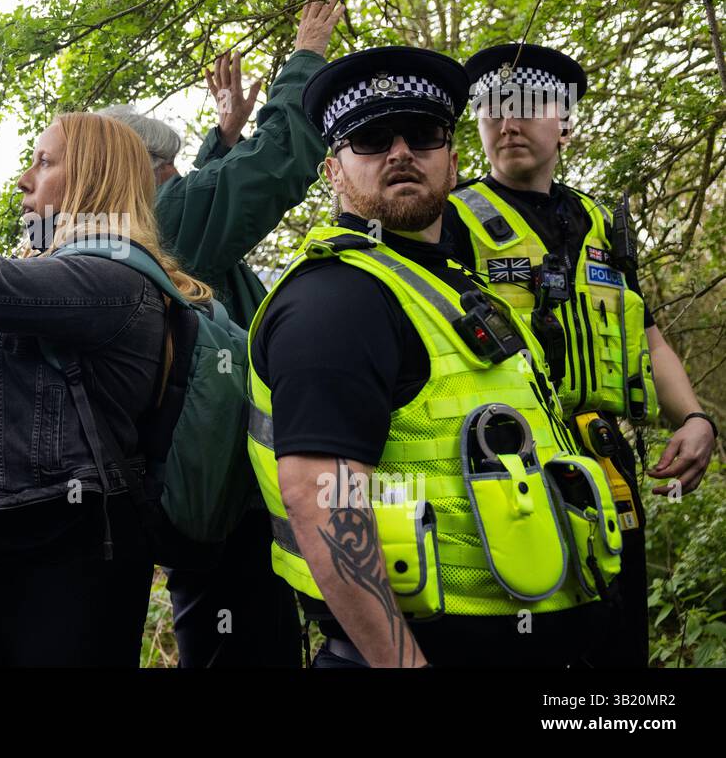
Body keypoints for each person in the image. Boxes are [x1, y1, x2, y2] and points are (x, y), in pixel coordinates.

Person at [248, 46, 613, 667]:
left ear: (451, 158)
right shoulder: (336, 300)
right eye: (369, 139)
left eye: (422, 133)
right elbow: (322, 499)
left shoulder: (444, 281)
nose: (400, 153)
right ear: (333, 169)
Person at [0, 113, 212, 667]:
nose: (24, 180)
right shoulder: (59, 273)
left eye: (44, 162)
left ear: (93, 180)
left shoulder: (111, 279)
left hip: (73, 554)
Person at [446, 43, 718, 667]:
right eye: (491, 109)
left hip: (606, 460)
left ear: (565, 122)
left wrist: (696, 419)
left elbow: (645, 336)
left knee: (619, 647)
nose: (507, 123)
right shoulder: (449, 222)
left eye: (527, 107)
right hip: (505, 468)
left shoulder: (599, 223)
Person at [98, 0, 344, 667]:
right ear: (144, 173)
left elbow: (209, 205)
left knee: (222, 630)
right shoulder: (165, 221)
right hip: (226, 499)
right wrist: (305, 61)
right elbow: (272, 166)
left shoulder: (145, 228)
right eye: (169, 167)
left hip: (191, 492)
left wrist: (223, 136)